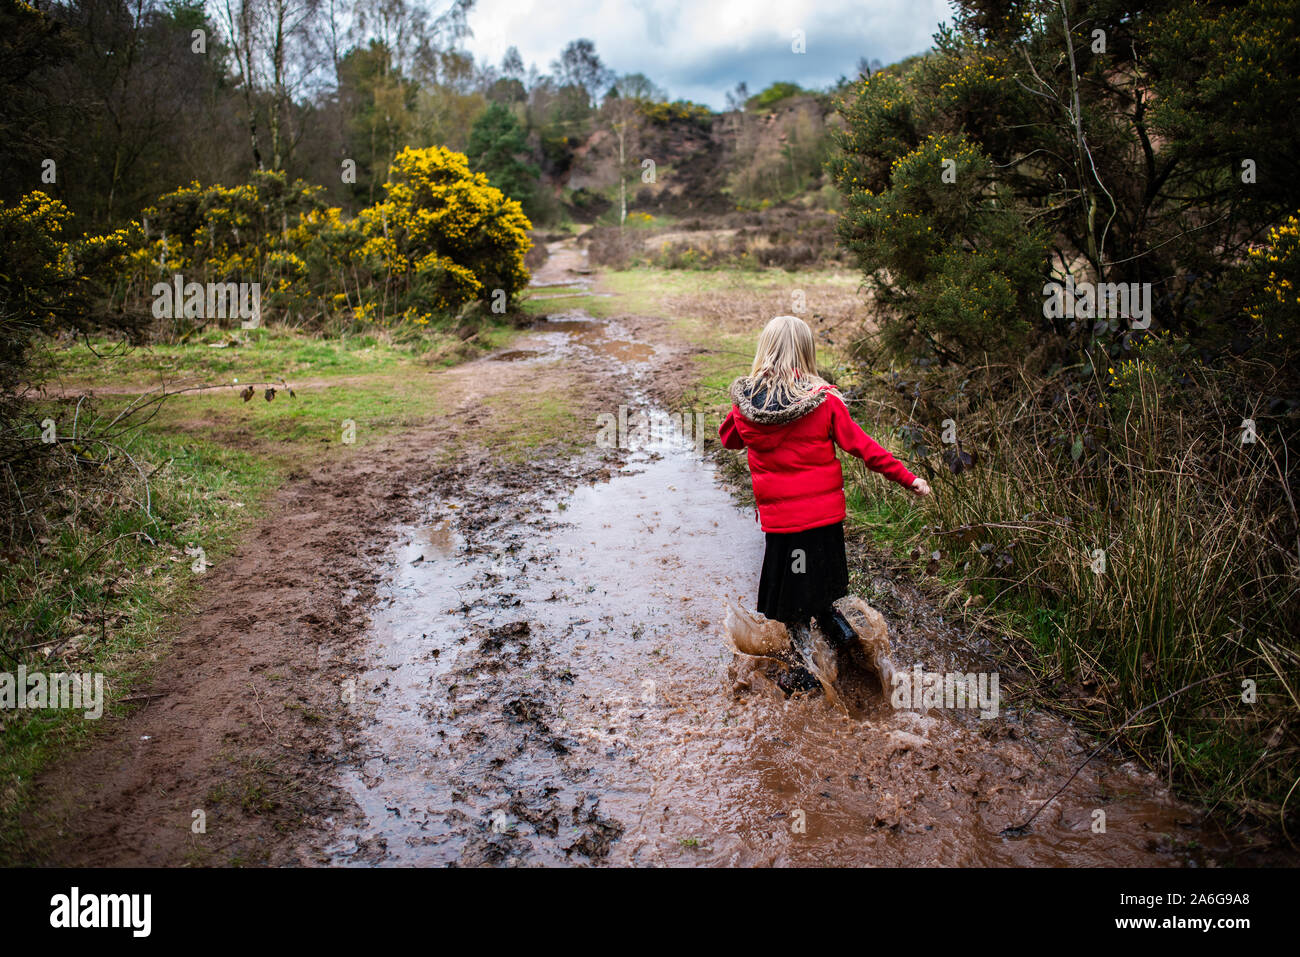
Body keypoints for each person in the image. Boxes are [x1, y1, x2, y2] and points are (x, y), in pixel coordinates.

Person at [719, 315, 930, 693]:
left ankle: (809, 675)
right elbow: (864, 448)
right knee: (822, 590)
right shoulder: (824, 401)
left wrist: (746, 401)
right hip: (824, 523)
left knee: (792, 609)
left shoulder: (747, 405)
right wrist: (908, 478)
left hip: (783, 529)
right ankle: (848, 643)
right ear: (806, 351)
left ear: (764, 350)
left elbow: (729, 440)